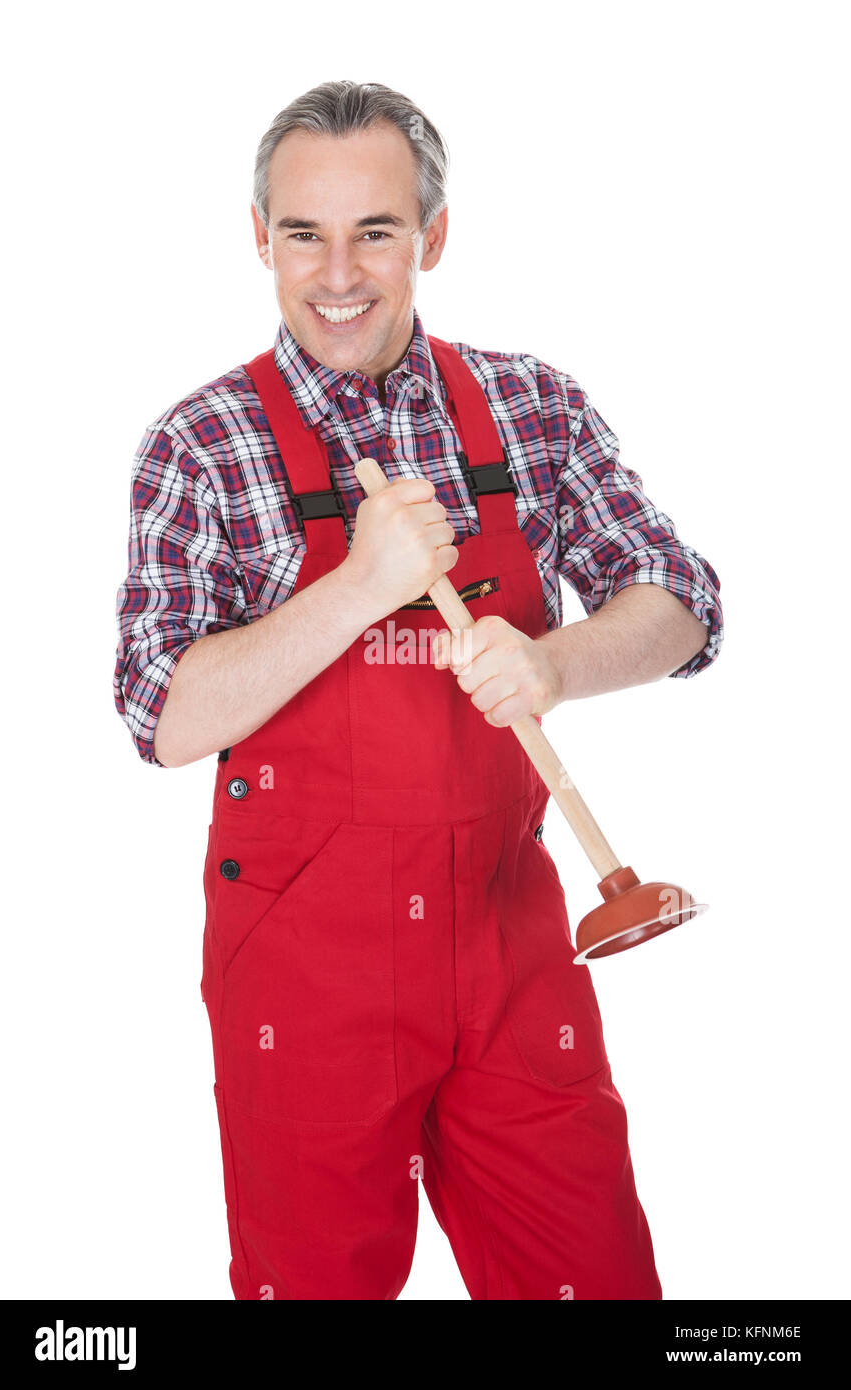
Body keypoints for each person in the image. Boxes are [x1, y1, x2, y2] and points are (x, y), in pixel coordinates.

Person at [113, 79, 723, 1301]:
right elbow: (161, 714)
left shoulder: (526, 407)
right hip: (306, 973)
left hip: (506, 947)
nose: (338, 273)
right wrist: (355, 585)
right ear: (259, 237)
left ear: (430, 237)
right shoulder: (204, 442)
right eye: (304, 234)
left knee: (593, 1280)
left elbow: (680, 601)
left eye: (375, 232)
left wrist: (554, 661)